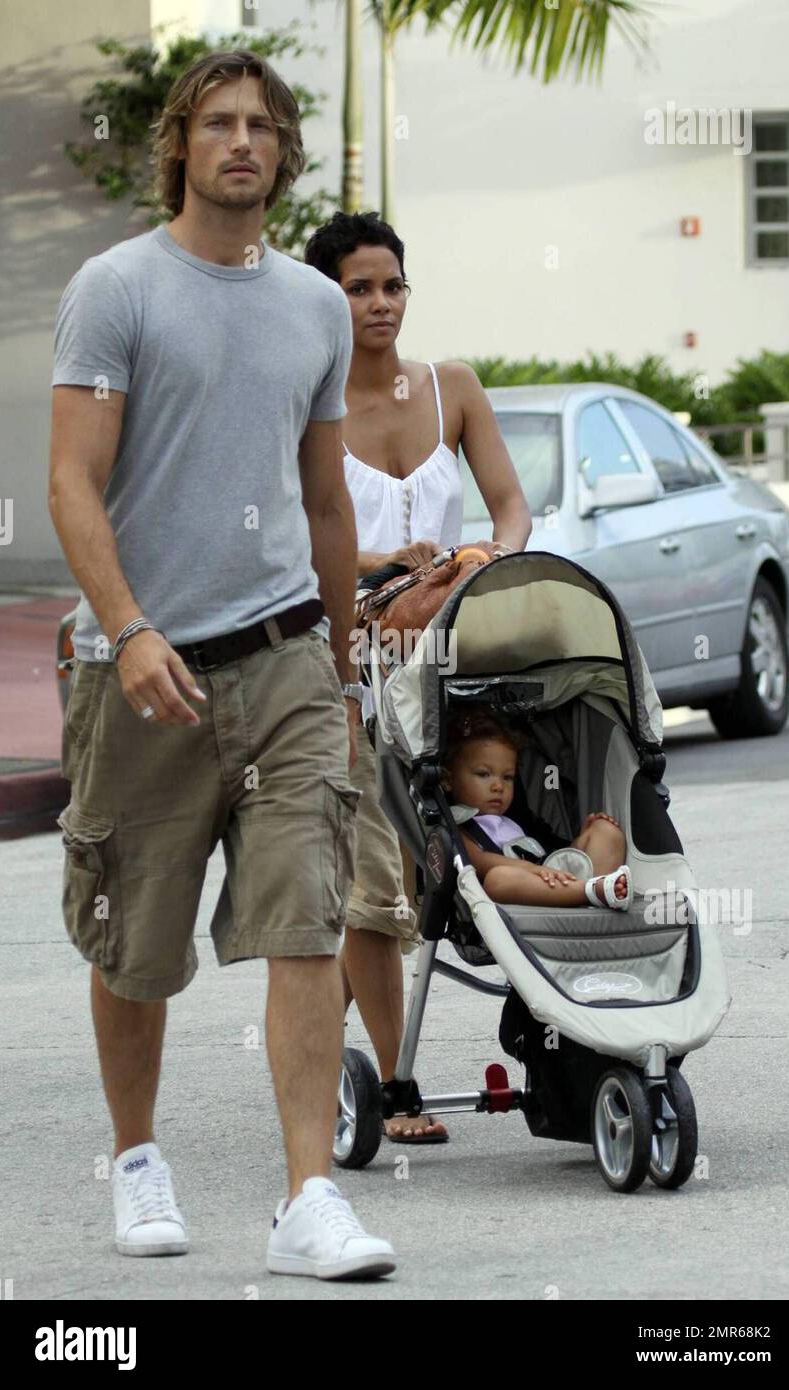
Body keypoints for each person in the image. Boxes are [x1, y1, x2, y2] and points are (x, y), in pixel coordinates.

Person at [48, 50, 395, 1281]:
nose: (240, 141)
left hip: (285, 661)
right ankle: (138, 1162)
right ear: (182, 146)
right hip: (139, 669)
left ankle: (309, 1194)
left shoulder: (310, 304)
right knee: (132, 942)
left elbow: (325, 504)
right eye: (217, 124)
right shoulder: (116, 287)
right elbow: (70, 482)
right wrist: (130, 627)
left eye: (261, 124)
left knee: (305, 920)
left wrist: (345, 671)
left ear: (283, 151)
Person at [304, 212, 531, 1141]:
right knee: (373, 884)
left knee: (446, 863)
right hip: (351, 673)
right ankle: (395, 1090)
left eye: (392, 284)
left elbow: (513, 507)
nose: (380, 303)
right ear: (326, 299)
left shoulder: (454, 389)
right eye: (358, 287)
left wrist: (489, 555)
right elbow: (298, 534)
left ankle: (323, 1045)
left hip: (451, 675)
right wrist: (376, 561)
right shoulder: (307, 405)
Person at [443, 711, 632, 910]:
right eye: (483, 774)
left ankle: (596, 891)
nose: (498, 786)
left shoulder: (516, 820)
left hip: (551, 876)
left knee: (604, 829)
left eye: (507, 777)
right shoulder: (459, 825)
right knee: (497, 879)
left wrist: (581, 841)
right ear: (447, 781)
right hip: (524, 887)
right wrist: (529, 869)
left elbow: (549, 855)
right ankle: (591, 892)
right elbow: (478, 861)